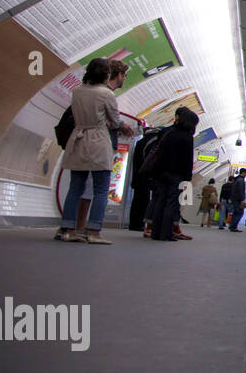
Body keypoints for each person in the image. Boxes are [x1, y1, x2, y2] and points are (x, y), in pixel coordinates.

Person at [57, 58, 135, 244]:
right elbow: (115, 122)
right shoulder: (106, 94)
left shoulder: (77, 92)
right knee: (101, 189)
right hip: (99, 141)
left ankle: (68, 229)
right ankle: (94, 231)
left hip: (78, 139)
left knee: (75, 187)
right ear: (106, 74)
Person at [144, 107, 199, 241]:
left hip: (160, 172)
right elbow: (187, 159)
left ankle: (155, 232)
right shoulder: (187, 137)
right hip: (176, 175)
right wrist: (187, 177)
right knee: (172, 203)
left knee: (160, 201)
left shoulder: (167, 132)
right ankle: (166, 233)